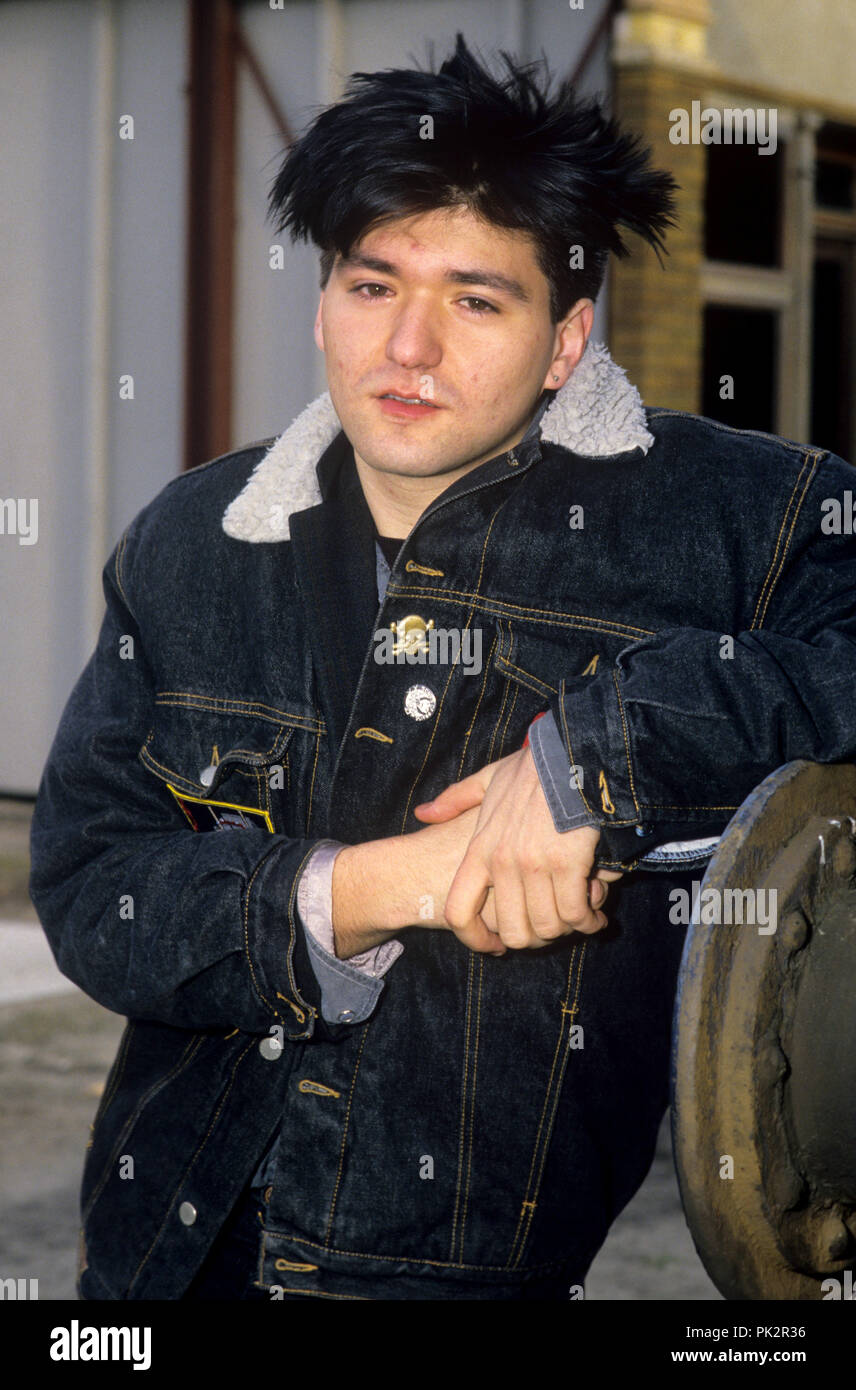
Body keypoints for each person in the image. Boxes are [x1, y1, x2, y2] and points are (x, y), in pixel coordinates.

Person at [29, 35, 856, 1301]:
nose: (407, 348)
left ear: (565, 338)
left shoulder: (741, 519)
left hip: (464, 1270)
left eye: (476, 300)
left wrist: (599, 747)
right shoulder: (201, 538)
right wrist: (387, 883)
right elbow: (94, 888)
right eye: (373, 288)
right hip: (163, 1254)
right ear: (322, 303)